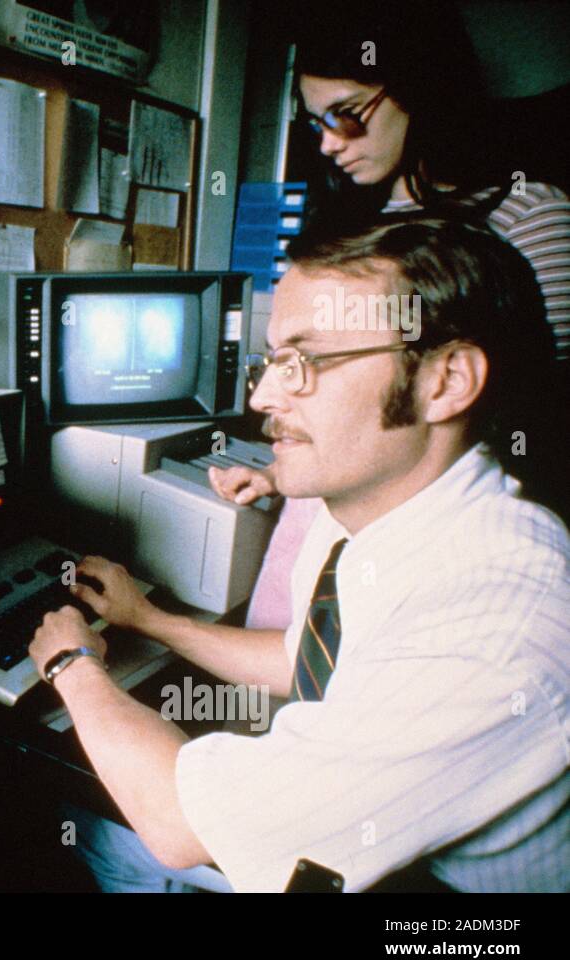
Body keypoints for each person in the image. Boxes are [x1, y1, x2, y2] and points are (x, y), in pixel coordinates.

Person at [30, 219, 569, 892]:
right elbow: (302, 656)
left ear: (446, 380)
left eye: (307, 362)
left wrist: (71, 663)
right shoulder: (375, 513)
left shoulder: (493, 621)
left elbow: (176, 821)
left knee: (98, 832)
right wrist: (149, 619)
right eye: (272, 360)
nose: (261, 399)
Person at [214, 3, 570, 628]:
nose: (328, 143)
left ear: (420, 88)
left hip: (434, 540)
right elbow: (345, 404)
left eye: (347, 116)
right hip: (330, 518)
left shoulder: (530, 215)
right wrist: (286, 467)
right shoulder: (351, 222)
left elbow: (537, 416)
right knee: (291, 686)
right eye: (314, 123)